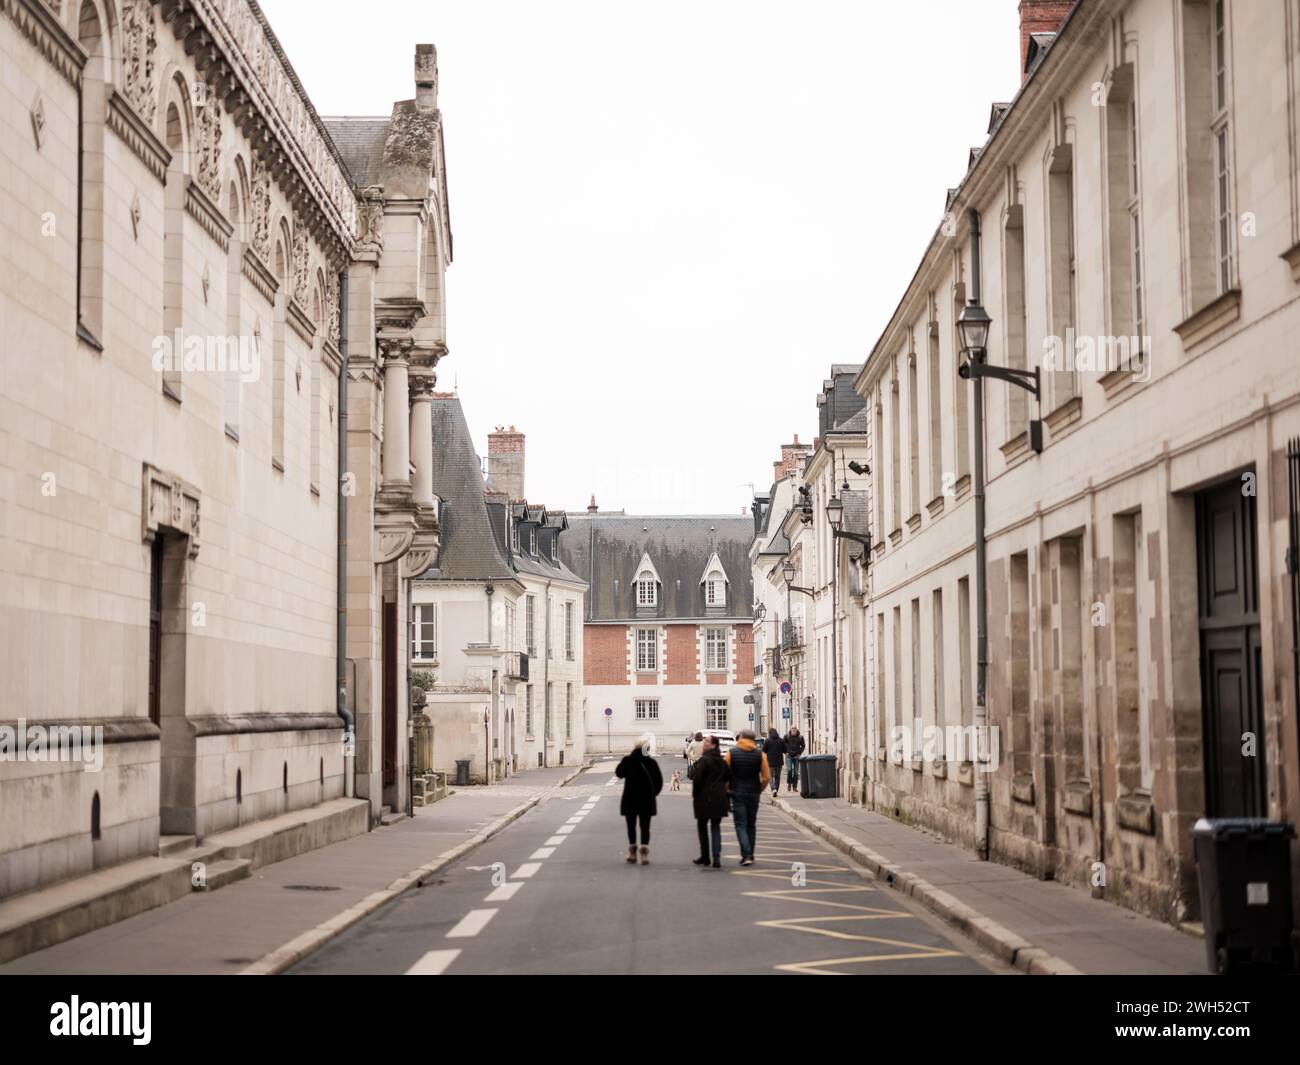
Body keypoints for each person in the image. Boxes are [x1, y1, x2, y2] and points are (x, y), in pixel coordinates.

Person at [724, 728, 769, 866]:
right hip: (754, 792)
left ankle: (747, 854)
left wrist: (727, 789)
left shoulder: (731, 754)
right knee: (751, 824)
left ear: (741, 737)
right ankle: (751, 854)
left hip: (737, 792)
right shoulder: (760, 755)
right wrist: (759, 789)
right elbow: (766, 777)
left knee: (740, 824)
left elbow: (724, 774)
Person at [615, 734, 663, 864]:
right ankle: (644, 853)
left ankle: (632, 852)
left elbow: (618, 773)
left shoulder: (628, 760)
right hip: (646, 800)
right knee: (645, 827)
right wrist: (653, 793)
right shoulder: (651, 762)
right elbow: (659, 782)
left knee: (631, 826)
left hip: (630, 800)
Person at [691, 735, 729, 868]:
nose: (704, 743)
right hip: (719, 798)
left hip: (705, 798)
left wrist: (695, 794)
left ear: (713, 745)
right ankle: (716, 856)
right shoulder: (722, 761)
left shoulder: (705, 760)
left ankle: (705, 856)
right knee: (715, 827)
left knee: (702, 827)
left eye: (707, 741)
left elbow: (698, 779)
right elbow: (728, 777)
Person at [763, 728, 786, 802]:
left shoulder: (767, 741)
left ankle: (773, 789)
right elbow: (785, 750)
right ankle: (776, 788)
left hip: (770, 762)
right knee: (777, 776)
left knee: (771, 776)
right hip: (779, 762)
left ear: (770, 733)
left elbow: (764, 750)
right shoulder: (781, 740)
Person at [783, 725, 805, 792]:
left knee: (796, 772)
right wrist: (785, 752)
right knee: (789, 770)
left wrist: (799, 753)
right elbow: (782, 744)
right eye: (792, 728)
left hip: (796, 756)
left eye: (794, 728)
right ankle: (789, 784)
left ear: (797, 729)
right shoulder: (786, 736)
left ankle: (794, 787)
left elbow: (803, 746)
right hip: (789, 756)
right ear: (790, 729)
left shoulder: (800, 737)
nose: (793, 729)